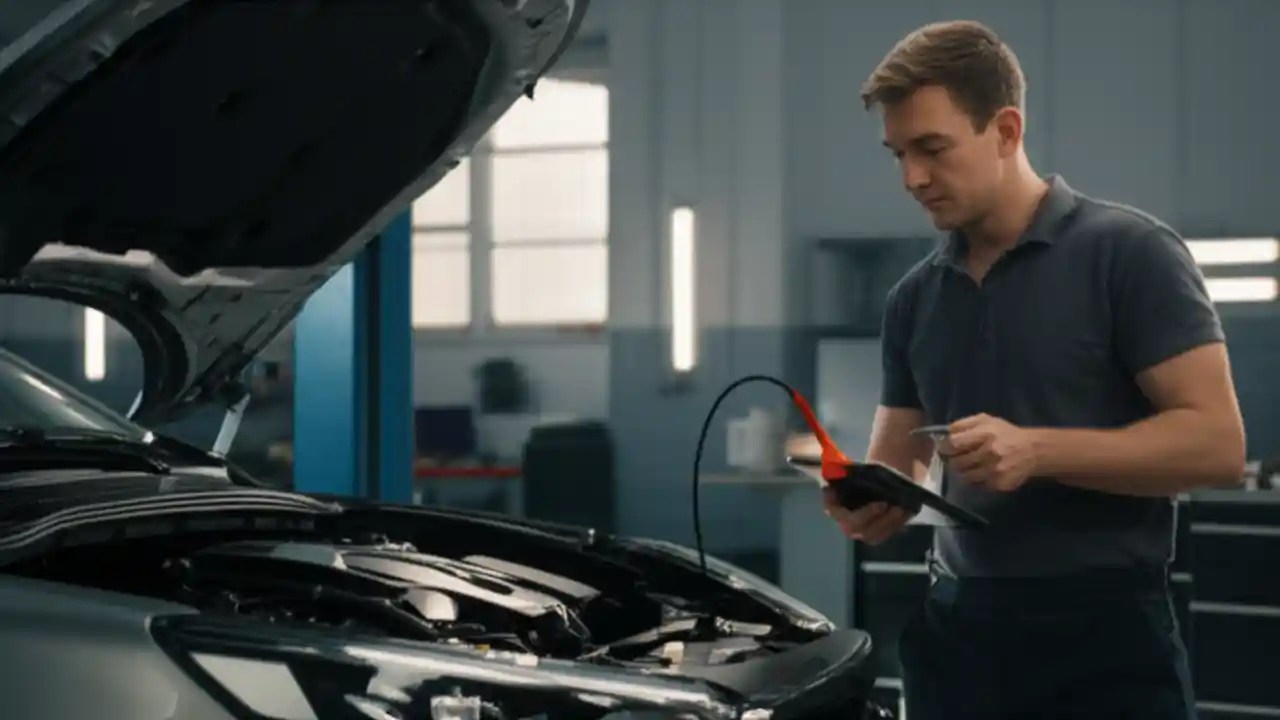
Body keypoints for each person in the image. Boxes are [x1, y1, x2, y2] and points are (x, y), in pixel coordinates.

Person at [821, 19, 1246, 719]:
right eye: (898, 154)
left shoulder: (1131, 254)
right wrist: (867, 501)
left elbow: (1218, 447)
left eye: (932, 148)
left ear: (1006, 130)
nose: (912, 178)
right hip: (957, 636)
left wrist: (1037, 451)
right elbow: (901, 467)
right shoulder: (913, 299)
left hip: (1106, 642)